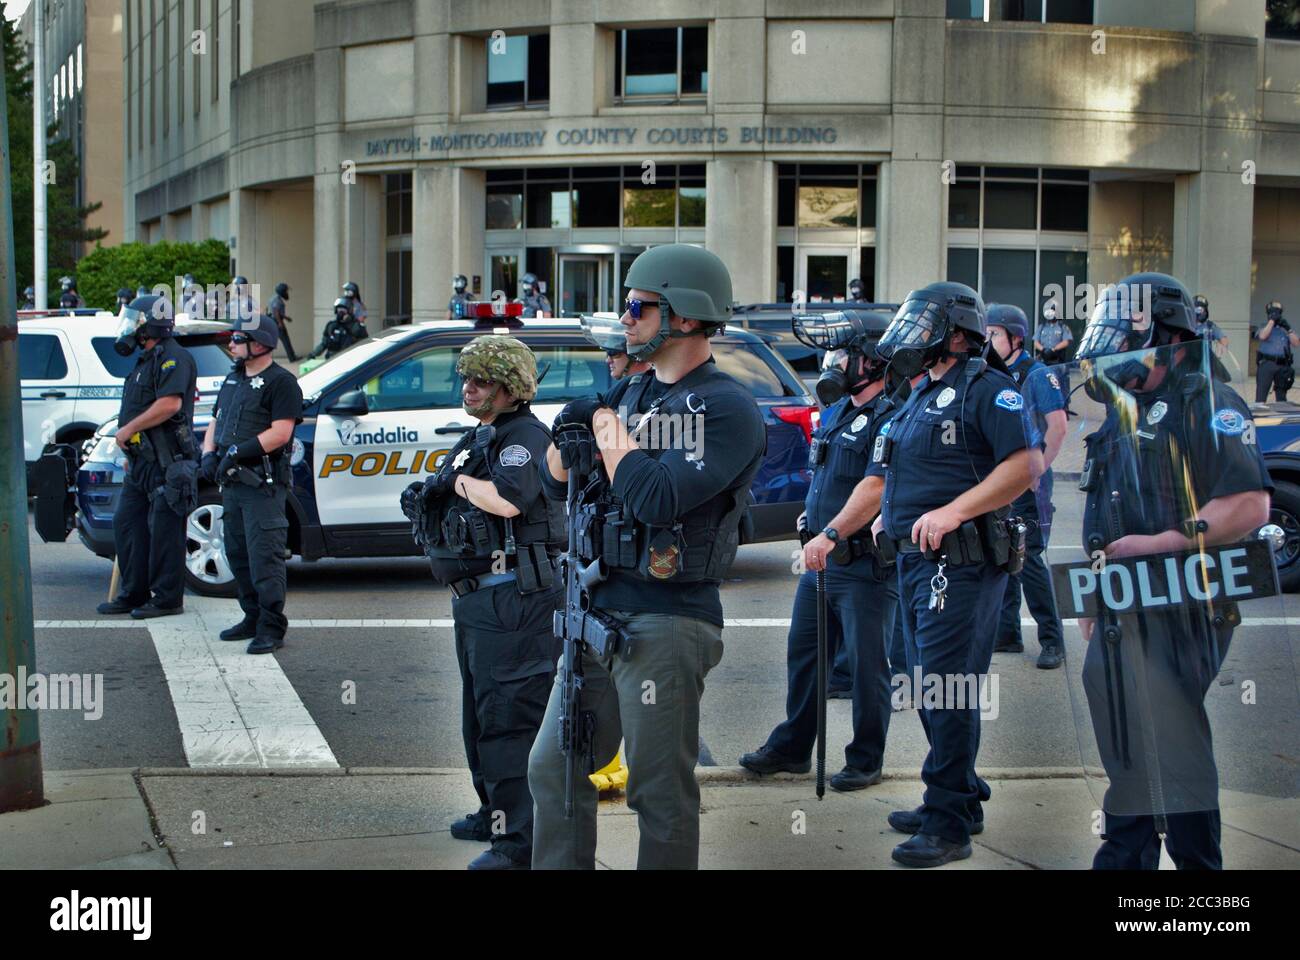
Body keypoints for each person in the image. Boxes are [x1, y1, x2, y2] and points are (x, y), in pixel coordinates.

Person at [528, 244, 766, 869]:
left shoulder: (725, 407)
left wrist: (603, 422)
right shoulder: (632, 395)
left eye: (637, 306)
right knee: (553, 769)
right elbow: (555, 485)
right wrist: (571, 429)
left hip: (665, 618)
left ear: (685, 317)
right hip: (594, 611)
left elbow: (657, 498)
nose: (626, 318)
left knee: (657, 792)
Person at [1072, 272, 1271, 869]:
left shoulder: (1207, 399)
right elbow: (1111, 508)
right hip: (1124, 598)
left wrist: (1166, 540)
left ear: (1166, 335)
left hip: (1188, 599)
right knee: (1125, 727)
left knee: (1171, 740)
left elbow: (1248, 504)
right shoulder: (1131, 408)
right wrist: (1096, 593)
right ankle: (1127, 860)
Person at [869, 281, 1034, 867]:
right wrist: (884, 519)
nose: (911, 340)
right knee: (927, 685)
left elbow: (1025, 466)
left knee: (949, 688)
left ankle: (947, 826)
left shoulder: (987, 389)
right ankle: (959, 798)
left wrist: (954, 511)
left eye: (924, 327)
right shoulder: (922, 392)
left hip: (959, 565)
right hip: (915, 562)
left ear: (956, 332)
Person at [400, 336, 565, 871]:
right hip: (478, 601)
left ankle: (517, 844)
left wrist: (459, 483)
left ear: (511, 388)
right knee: (479, 714)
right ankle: (492, 811)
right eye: (466, 378)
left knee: (509, 721)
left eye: (481, 380)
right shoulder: (482, 435)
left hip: (513, 602)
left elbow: (510, 501)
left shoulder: (524, 438)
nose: (468, 387)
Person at [739, 308, 903, 790]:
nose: (833, 360)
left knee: (868, 668)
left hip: (862, 566)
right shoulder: (837, 412)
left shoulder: (890, 417)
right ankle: (792, 748)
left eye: (845, 352)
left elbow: (876, 488)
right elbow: (827, 476)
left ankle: (865, 759)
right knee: (806, 657)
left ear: (873, 360)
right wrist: (811, 518)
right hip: (822, 562)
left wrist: (831, 533)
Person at [199, 315, 303, 655]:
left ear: (258, 344)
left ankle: (271, 627)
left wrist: (237, 451)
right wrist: (209, 454)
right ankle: (251, 617)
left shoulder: (281, 383)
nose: (230, 345)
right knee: (238, 554)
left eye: (237, 339)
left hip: (262, 485)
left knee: (264, 558)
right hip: (232, 484)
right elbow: (216, 420)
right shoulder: (234, 379)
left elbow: (281, 432)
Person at [95, 295, 198, 620]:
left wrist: (128, 431)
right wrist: (131, 448)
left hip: (167, 463)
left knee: (164, 532)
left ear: (150, 323)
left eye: (135, 319)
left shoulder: (173, 358)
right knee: (127, 524)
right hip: (141, 462)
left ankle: (167, 599)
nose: (130, 327)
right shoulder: (146, 360)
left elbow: (170, 405)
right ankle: (133, 592)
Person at [987, 304, 1068, 669]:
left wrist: (1038, 471)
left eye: (994, 335)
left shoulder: (1036, 374)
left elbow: (1058, 426)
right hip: (1001, 481)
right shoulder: (992, 372)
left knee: (1030, 559)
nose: (988, 341)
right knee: (1003, 554)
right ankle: (1007, 634)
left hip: (1029, 486)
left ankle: (1052, 640)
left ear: (1015, 338)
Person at [1035, 301, 1074, 414]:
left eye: (1052, 309)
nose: (1049, 311)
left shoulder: (1063, 327)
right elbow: (1035, 342)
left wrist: (1054, 349)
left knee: (1062, 382)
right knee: (1044, 381)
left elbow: (1067, 341)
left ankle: (1064, 406)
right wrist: (1043, 350)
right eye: (1047, 309)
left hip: (1058, 360)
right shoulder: (1041, 327)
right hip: (1044, 359)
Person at [1255, 300, 1297, 403]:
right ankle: (1259, 417)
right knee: (1261, 395)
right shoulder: (1263, 325)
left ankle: (1280, 415)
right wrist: (1271, 321)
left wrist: (1289, 329)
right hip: (1267, 364)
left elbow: (1296, 343)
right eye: (1272, 313)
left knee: (1281, 398)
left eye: (1277, 313)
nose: (1275, 315)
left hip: (1283, 365)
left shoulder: (1284, 328)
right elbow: (1262, 336)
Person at [267, 282, 298, 362]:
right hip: (276, 321)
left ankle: (264, 357)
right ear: (282, 291)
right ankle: (292, 358)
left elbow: (275, 311)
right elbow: (276, 312)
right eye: (286, 291)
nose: (287, 293)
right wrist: (280, 323)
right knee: (285, 340)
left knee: (269, 341)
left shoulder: (273, 298)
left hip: (272, 320)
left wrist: (286, 318)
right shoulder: (278, 300)